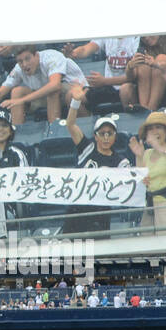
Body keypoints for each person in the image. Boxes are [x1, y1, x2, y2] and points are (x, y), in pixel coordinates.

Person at [62, 87, 134, 236]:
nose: (106, 137)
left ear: (115, 136)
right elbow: (70, 124)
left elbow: (130, 184)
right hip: (77, 208)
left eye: (110, 133)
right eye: (102, 134)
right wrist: (75, 101)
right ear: (95, 136)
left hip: (100, 213)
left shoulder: (121, 162)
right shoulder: (87, 149)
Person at [0, 46, 89, 124]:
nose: (24, 64)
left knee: (52, 90)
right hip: (48, 97)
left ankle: (53, 130)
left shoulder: (52, 57)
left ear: (36, 55)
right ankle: (16, 134)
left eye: (27, 59)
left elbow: (55, 85)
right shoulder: (18, 68)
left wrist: (21, 100)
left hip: (77, 91)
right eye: (20, 61)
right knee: (17, 91)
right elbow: (0, 93)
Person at [129, 111, 166, 232]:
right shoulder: (146, 153)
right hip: (150, 206)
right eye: (150, 129)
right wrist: (139, 156)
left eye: (158, 127)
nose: (154, 131)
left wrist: (159, 147)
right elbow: (142, 180)